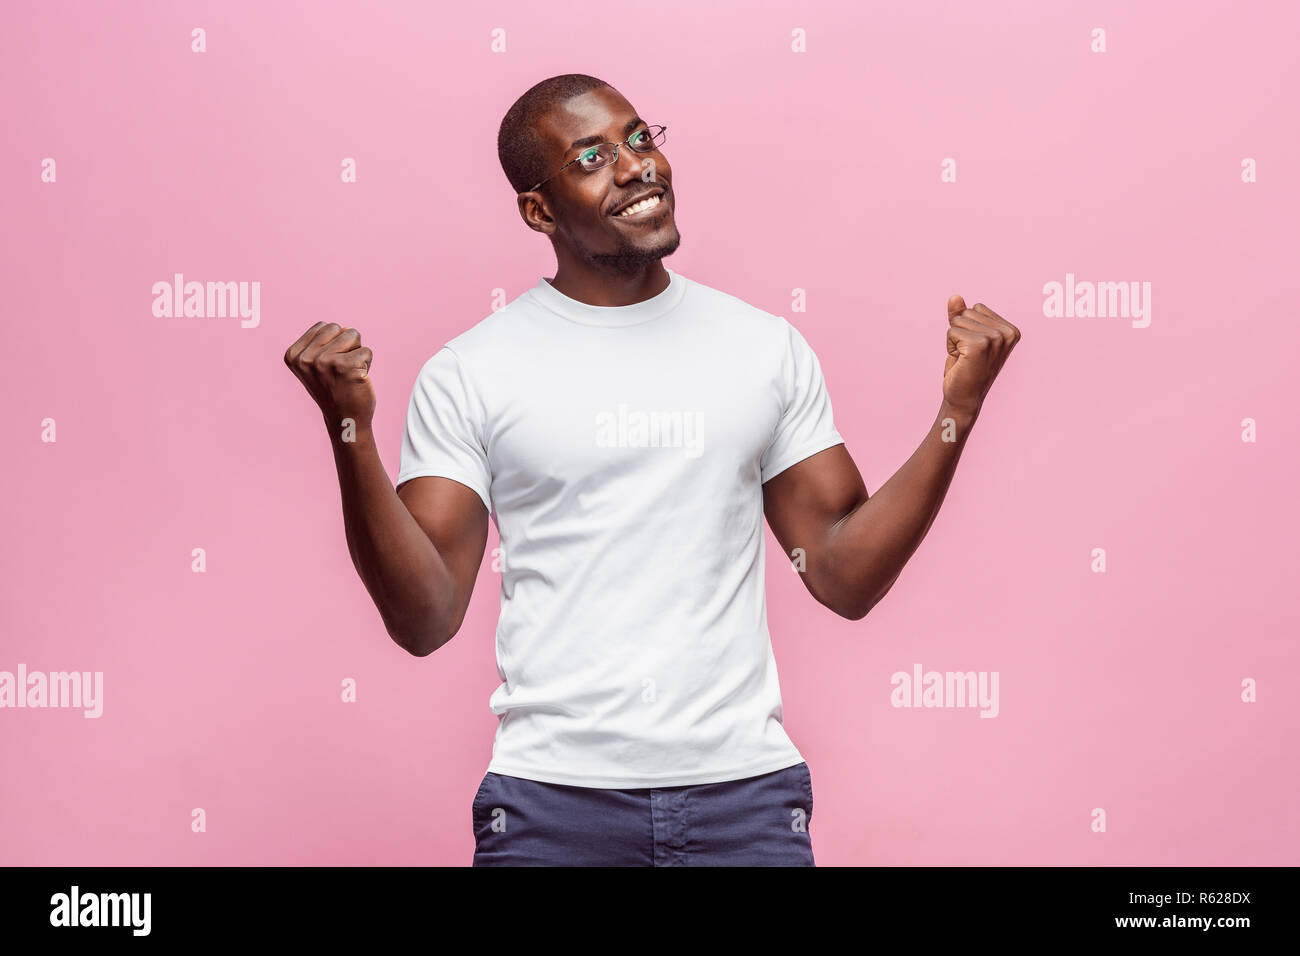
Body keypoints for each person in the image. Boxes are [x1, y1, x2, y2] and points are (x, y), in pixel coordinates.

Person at [283, 73, 1021, 866]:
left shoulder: (761, 348)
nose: (637, 166)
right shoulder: (471, 372)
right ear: (539, 210)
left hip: (746, 800)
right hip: (550, 807)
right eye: (592, 156)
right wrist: (349, 429)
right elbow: (424, 619)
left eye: (640, 138)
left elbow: (845, 574)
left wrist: (959, 413)